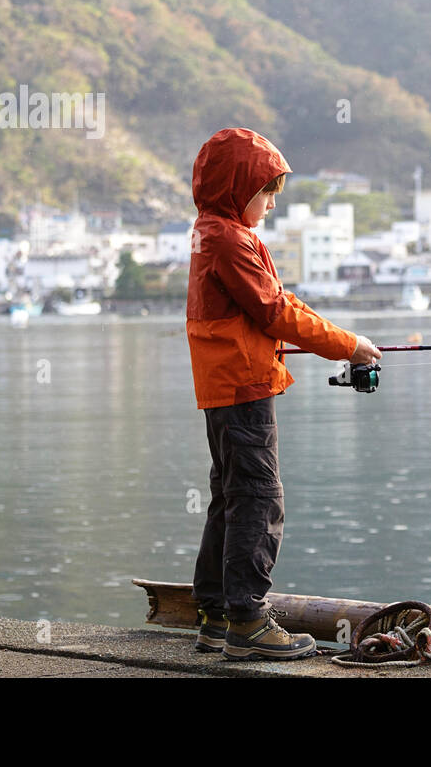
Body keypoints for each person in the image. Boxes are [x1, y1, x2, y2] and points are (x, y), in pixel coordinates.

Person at [185, 127, 381, 660]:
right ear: (236, 186)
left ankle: (216, 613)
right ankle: (247, 622)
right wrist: (349, 346)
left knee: (230, 497)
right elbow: (275, 313)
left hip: (225, 386)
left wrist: (342, 339)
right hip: (242, 388)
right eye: (266, 191)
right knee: (260, 497)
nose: (272, 203)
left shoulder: (213, 231)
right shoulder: (229, 238)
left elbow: (271, 305)